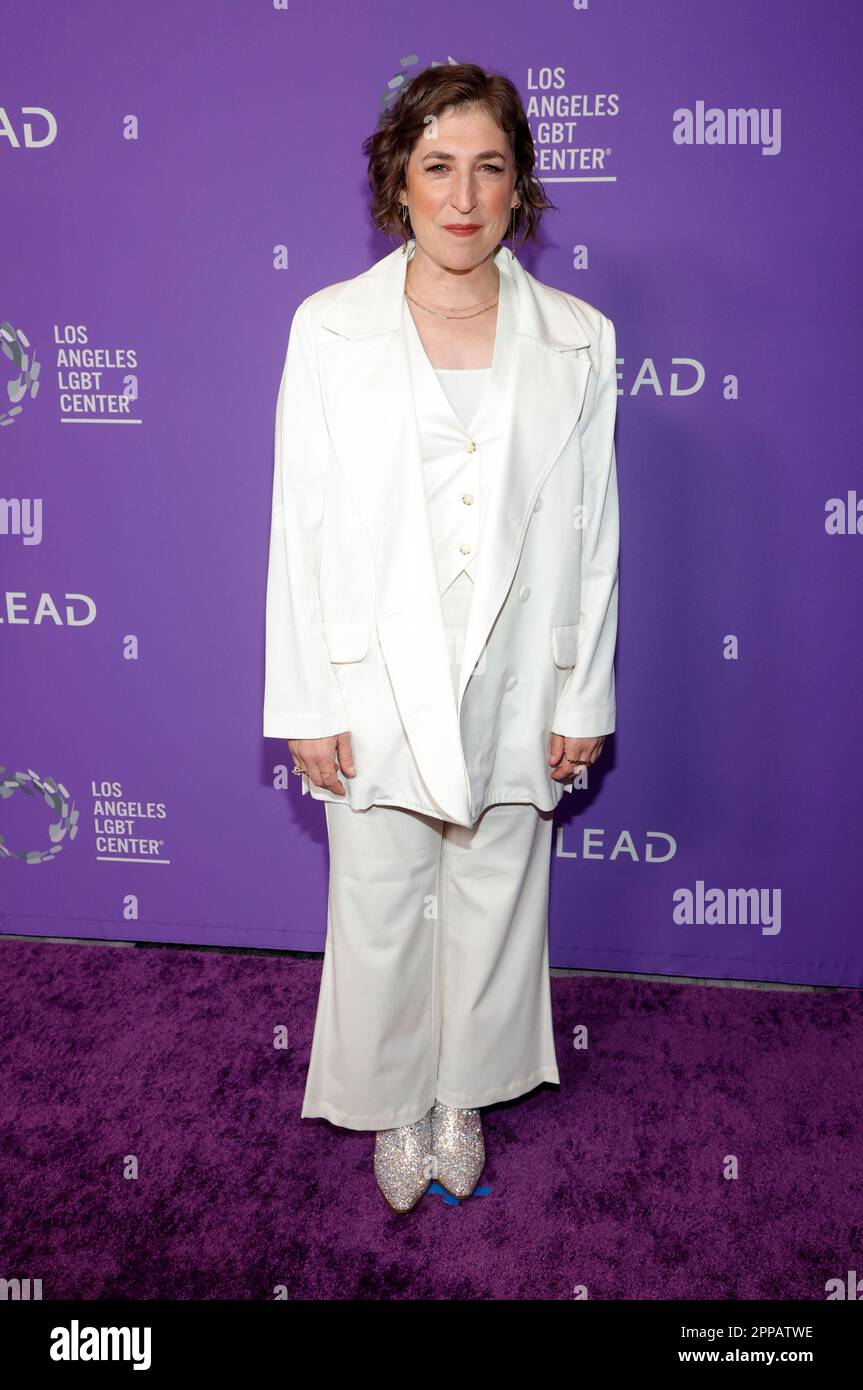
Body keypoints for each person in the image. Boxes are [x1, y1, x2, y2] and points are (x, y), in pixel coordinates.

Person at [263, 62, 620, 1213]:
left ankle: (462, 1090)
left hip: (519, 663)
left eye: (488, 168)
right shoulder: (329, 327)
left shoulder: (576, 338)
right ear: (397, 182)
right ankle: (392, 1097)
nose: (461, 196)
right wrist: (306, 699)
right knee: (377, 895)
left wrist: (583, 695)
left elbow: (594, 529)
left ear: (517, 188)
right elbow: (298, 523)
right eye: (436, 168)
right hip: (379, 667)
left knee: (496, 886)